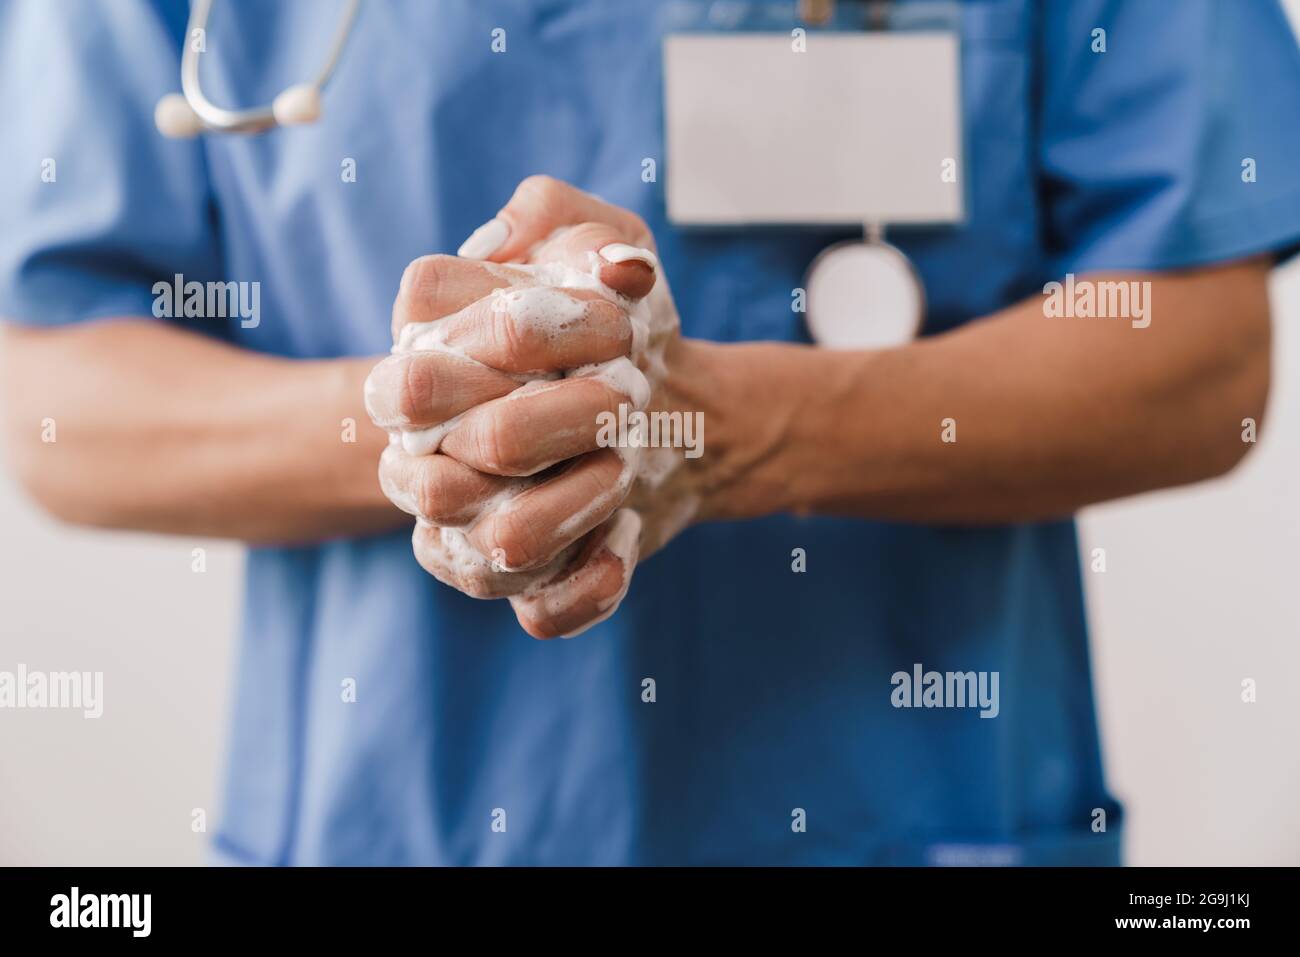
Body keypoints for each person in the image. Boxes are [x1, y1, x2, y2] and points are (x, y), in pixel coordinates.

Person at [2, 0, 1298, 866]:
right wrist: (458, 414)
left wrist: (735, 430)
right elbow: (61, 409)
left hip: (913, 808)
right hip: (383, 820)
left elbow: (1201, 353)